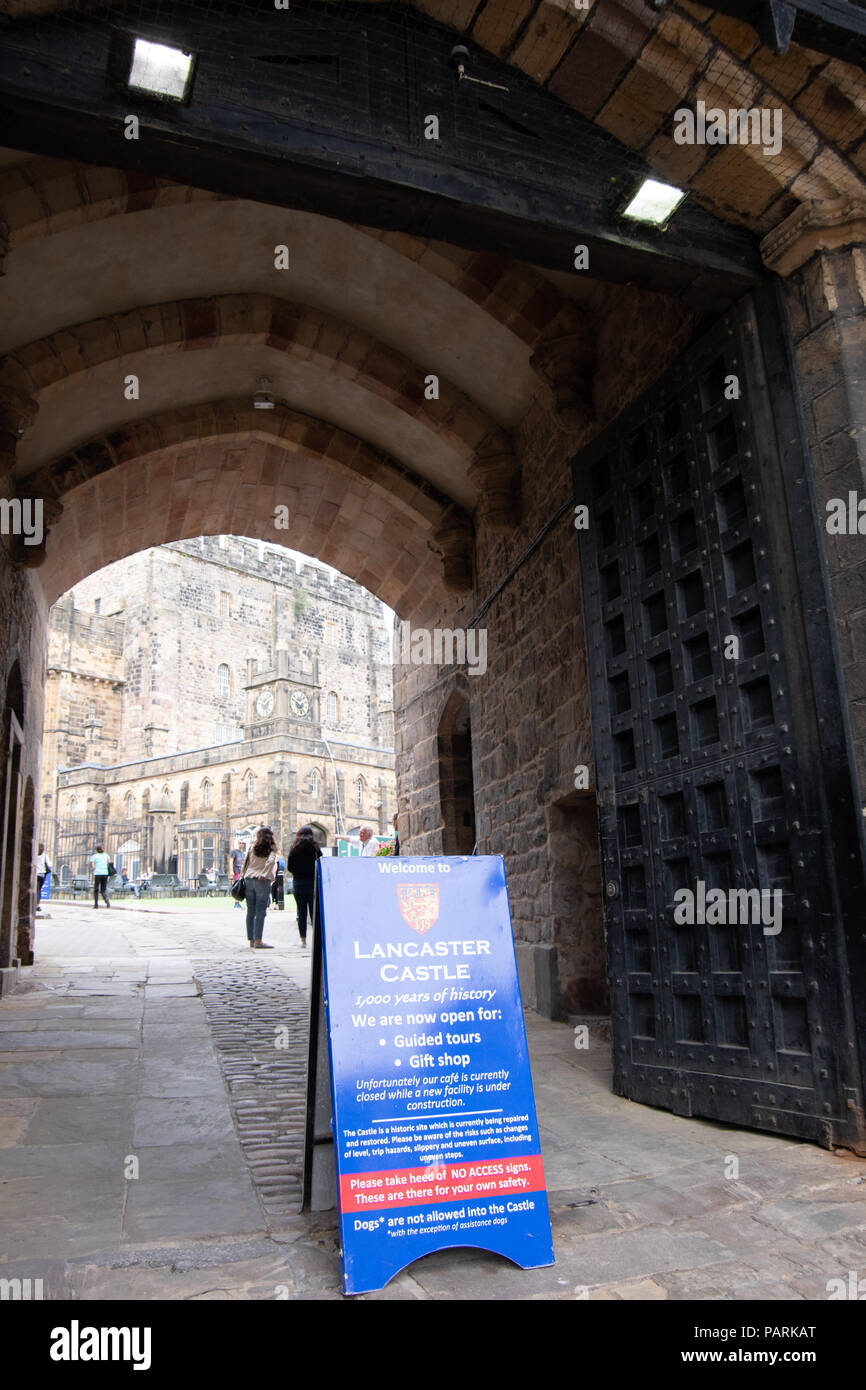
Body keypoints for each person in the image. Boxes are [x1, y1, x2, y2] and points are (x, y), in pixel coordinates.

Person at [240, 827, 279, 949]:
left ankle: (251, 939)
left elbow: (246, 862)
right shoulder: (271, 849)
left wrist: (243, 875)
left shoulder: (252, 847)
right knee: (260, 911)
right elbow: (271, 862)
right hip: (262, 881)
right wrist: (264, 874)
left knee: (251, 910)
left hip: (249, 879)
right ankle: (258, 940)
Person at [287, 825, 322, 948]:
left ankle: (303, 940)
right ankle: (317, 941)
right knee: (314, 913)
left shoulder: (294, 848)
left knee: (301, 912)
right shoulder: (315, 848)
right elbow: (321, 863)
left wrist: (298, 872)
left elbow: (290, 867)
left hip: (299, 883)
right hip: (313, 883)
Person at [91, 843, 111, 909]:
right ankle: (107, 900)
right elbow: (109, 863)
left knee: (96, 889)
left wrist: (96, 867)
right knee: (103, 890)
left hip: (97, 874)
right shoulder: (106, 855)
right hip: (105, 874)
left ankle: (96, 904)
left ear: (96, 850)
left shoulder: (94, 856)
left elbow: (93, 866)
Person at [230, 841, 246, 910]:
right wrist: (231, 871)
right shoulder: (234, 852)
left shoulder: (242, 853)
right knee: (237, 887)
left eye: (242, 843)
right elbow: (231, 861)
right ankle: (236, 903)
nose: (241, 844)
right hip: (236, 871)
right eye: (240, 842)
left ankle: (238, 902)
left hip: (241, 872)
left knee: (241, 887)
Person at [35, 842, 51, 913]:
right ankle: (37, 905)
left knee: (35, 889)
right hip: (42, 875)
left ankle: (34, 904)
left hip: (35, 874)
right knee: (38, 890)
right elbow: (49, 864)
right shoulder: (44, 855)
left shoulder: (34, 854)